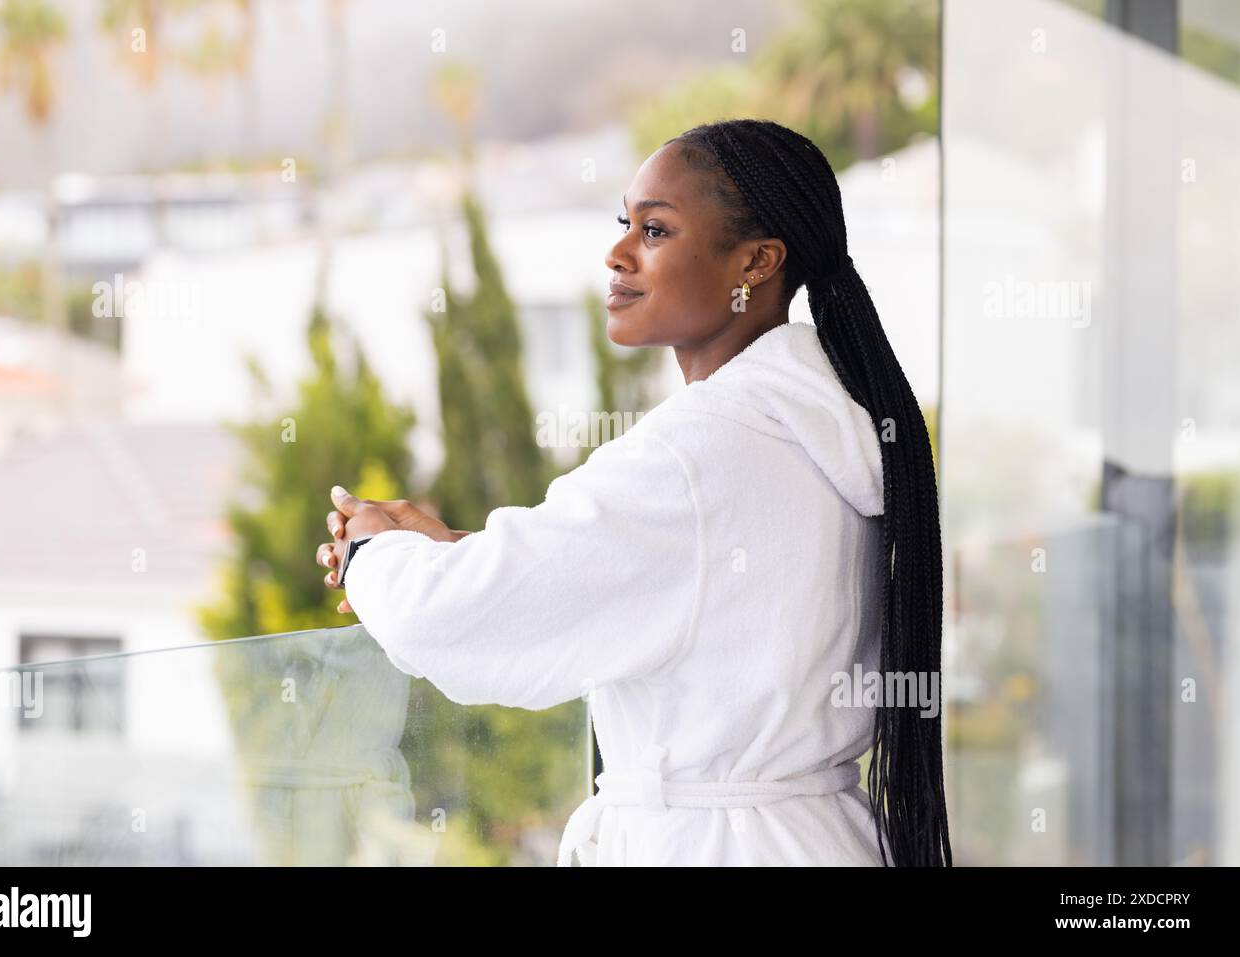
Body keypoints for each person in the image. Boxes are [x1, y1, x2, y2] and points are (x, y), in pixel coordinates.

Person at [315, 118, 952, 867]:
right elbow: (670, 581)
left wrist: (373, 555)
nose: (617, 253)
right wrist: (451, 546)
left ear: (756, 260)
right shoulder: (826, 430)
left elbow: (452, 615)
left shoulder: (696, 455)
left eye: (655, 230)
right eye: (625, 223)